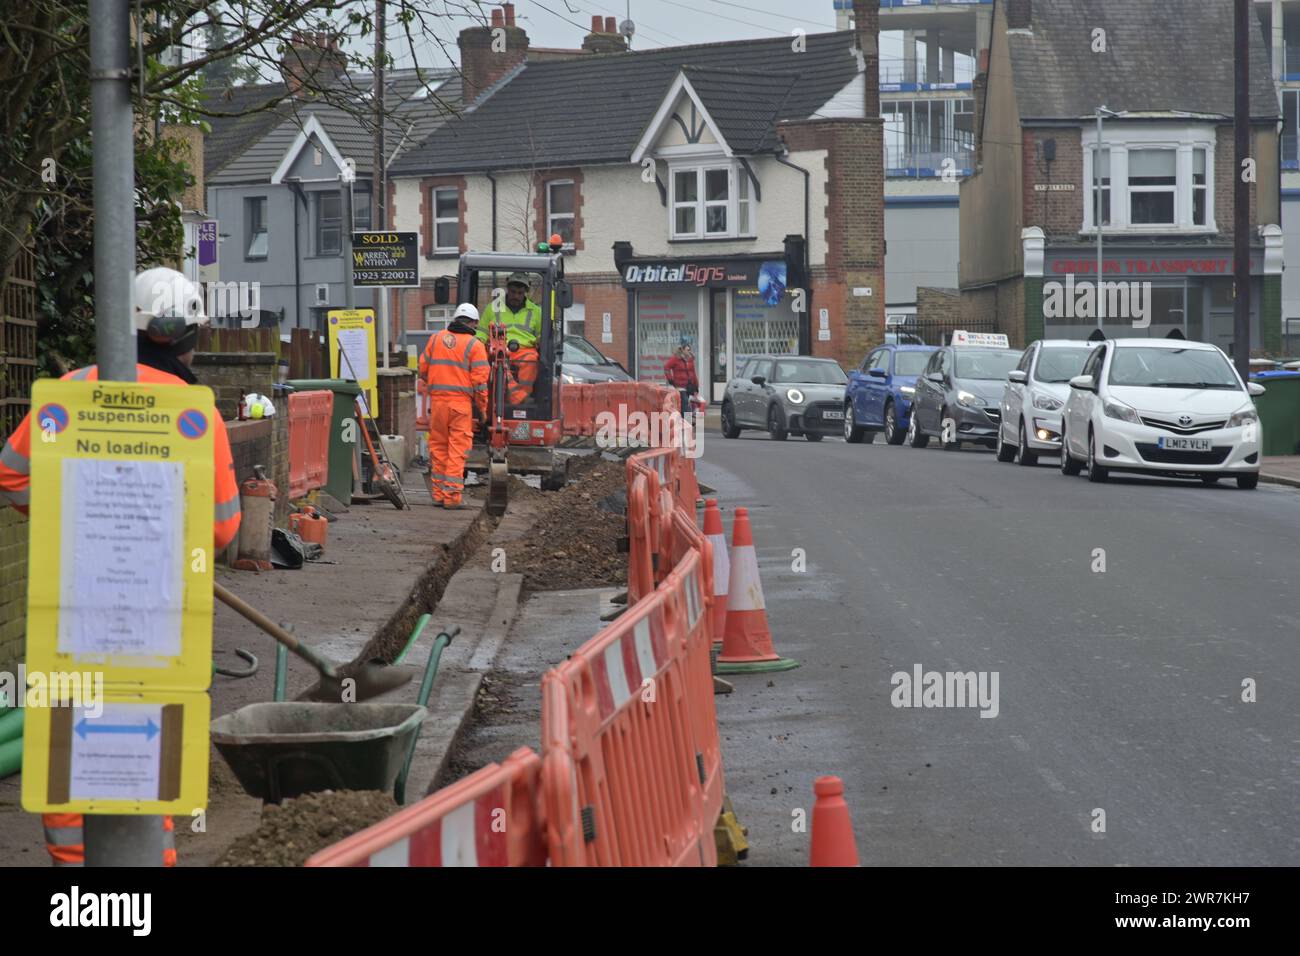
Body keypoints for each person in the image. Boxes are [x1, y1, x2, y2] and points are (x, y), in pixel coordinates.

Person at [0, 266, 241, 867]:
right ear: (190, 339)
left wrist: (65, 519)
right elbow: (222, 527)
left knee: (66, 759)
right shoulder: (196, 414)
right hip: (154, 626)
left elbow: (11, 473)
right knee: (145, 761)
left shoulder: (73, 391)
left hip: (71, 620)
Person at [420, 303, 489, 508]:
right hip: (460, 405)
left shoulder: (436, 338)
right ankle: (452, 497)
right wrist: (483, 410)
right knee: (457, 449)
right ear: (474, 323)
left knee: (439, 447)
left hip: (438, 403)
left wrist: (434, 383)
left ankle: (439, 494)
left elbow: (423, 369)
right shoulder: (475, 345)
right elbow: (480, 383)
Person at [478, 272, 542, 404]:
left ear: (526, 292)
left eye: (520, 293)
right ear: (507, 289)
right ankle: (518, 399)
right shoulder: (492, 308)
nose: (516, 296)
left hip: (523, 351)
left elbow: (541, 335)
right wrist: (479, 345)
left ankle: (522, 397)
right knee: (487, 360)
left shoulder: (535, 311)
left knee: (531, 360)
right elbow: (482, 333)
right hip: (497, 347)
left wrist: (540, 342)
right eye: (513, 292)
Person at [664, 338, 699, 417]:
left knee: (696, 405)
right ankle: (688, 423)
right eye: (687, 350)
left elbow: (693, 373)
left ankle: (692, 424)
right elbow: (666, 368)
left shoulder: (690, 359)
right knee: (685, 404)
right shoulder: (675, 359)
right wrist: (670, 379)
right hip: (680, 386)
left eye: (689, 350)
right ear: (682, 350)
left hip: (690, 386)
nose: (689, 351)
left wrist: (696, 386)